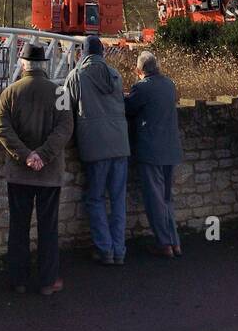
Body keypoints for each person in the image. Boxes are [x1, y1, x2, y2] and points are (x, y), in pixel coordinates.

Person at [0, 42, 73, 295]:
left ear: (23, 63)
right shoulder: (59, 92)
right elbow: (65, 128)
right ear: (44, 65)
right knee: (48, 227)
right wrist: (44, 154)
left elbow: (2, 128)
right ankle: (48, 281)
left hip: (19, 173)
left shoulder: (10, 92)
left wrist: (26, 156)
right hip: (49, 174)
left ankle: (18, 279)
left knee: (18, 227)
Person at [65, 35, 130, 265]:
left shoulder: (76, 76)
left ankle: (105, 250)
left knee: (95, 198)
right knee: (118, 199)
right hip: (121, 143)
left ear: (82, 54)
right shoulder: (116, 75)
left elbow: (64, 109)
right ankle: (119, 251)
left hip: (95, 145)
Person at [124, 50, 183, 257]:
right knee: (167, 198)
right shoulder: (169, 84)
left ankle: (164, 243)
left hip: (151, 149)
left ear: (139, 70)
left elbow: (128, 108)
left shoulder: (141, 88)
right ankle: (175, 242)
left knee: (155, 199)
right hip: (171, 148)